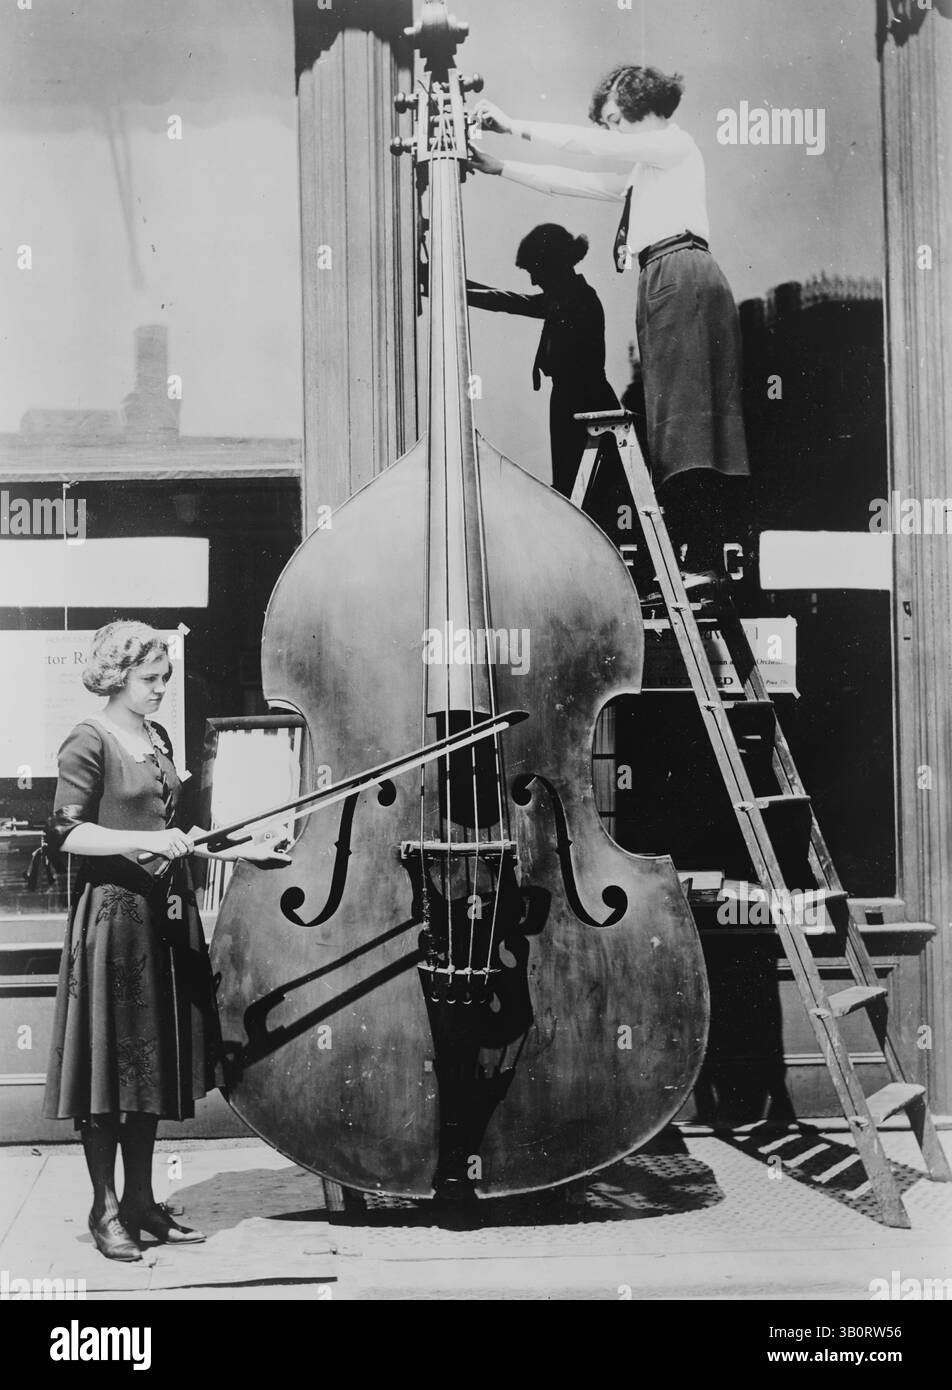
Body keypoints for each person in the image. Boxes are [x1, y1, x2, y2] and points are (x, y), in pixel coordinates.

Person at [43, 621, 288, 1262]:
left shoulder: (156, 737)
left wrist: (246, 848)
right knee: (109, 1074)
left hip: (164, 921)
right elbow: (66, 834)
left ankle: (143, 1202)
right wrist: (147, 843)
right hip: (113, 923)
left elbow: (180, 826)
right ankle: (104, 1209)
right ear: (117, 675)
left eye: (163, 679)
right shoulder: (87, 740)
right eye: (149, 679)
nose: (159, 690)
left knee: (148, 1068)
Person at [470, 65, 750, 587]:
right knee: (677, 419)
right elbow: (572, 180)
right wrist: (498, 165)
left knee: (687, 419)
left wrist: (512, 126)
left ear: (641, 106)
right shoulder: (648, 172)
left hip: (678, 274)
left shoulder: (672, 144)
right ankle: (697, 552)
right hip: (664, 277)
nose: (609, 134)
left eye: (614, 121)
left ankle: (701, 556)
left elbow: (588, 150)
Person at [467, 223, 620, 498]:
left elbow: (511, 301)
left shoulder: (577, 300)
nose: (533, 281)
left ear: (552, 264)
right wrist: (458, 285)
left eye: (534, 271)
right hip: (572, 401)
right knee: (572, 488)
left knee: (580, 490)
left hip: (584, 403)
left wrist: (458, 288)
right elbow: (509, 299)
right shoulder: (570, 298)